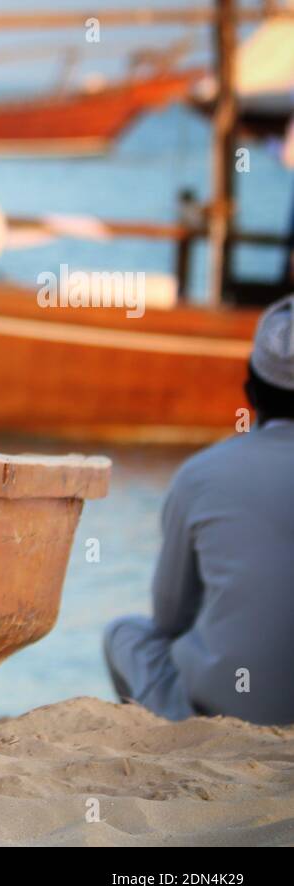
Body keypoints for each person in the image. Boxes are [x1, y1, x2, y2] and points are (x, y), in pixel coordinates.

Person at [103, 297, 294, 726]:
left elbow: (169, 618)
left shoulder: (202, 474)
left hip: (228, 709)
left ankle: (159, 743)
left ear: (251, 392)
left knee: (126, 634)